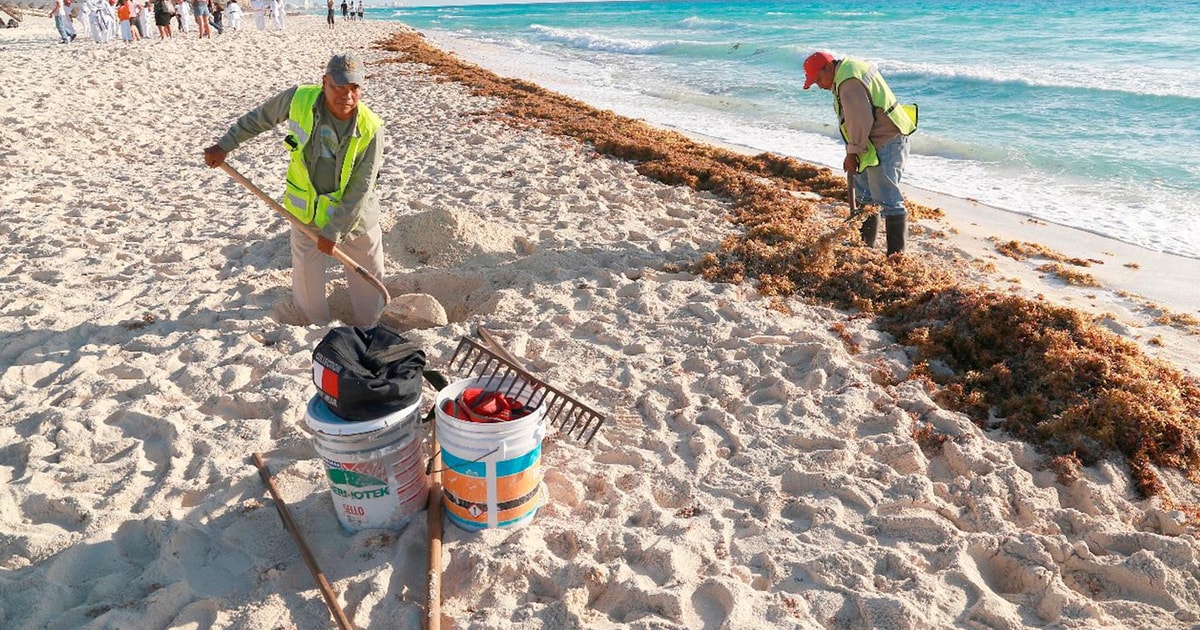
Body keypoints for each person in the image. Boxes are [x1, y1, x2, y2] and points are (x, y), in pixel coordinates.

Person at [203, 53, 387, 327]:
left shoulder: (371, 128)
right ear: (324, 82)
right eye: (339, 86)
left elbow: (360, 188)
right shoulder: (299, 99)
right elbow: (259, 119)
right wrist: (226, 144)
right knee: (306, 278)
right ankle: (315, 328)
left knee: (369, 283)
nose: (347, 95)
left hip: (356, 220)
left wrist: (334, 231)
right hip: (305, 214)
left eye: (354, 88)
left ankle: (370, 328)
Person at [803, 51, 917, 255]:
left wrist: (852, 153)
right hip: (870, 140)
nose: (819, 85)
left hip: (887, 139)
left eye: (818, 79)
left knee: (889, 198)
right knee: (865, 194)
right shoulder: (848, 70)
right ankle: (864, 247)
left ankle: (896, 257)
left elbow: (860, 120)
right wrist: (855, 150)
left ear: (829, 67)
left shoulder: (848, 81)